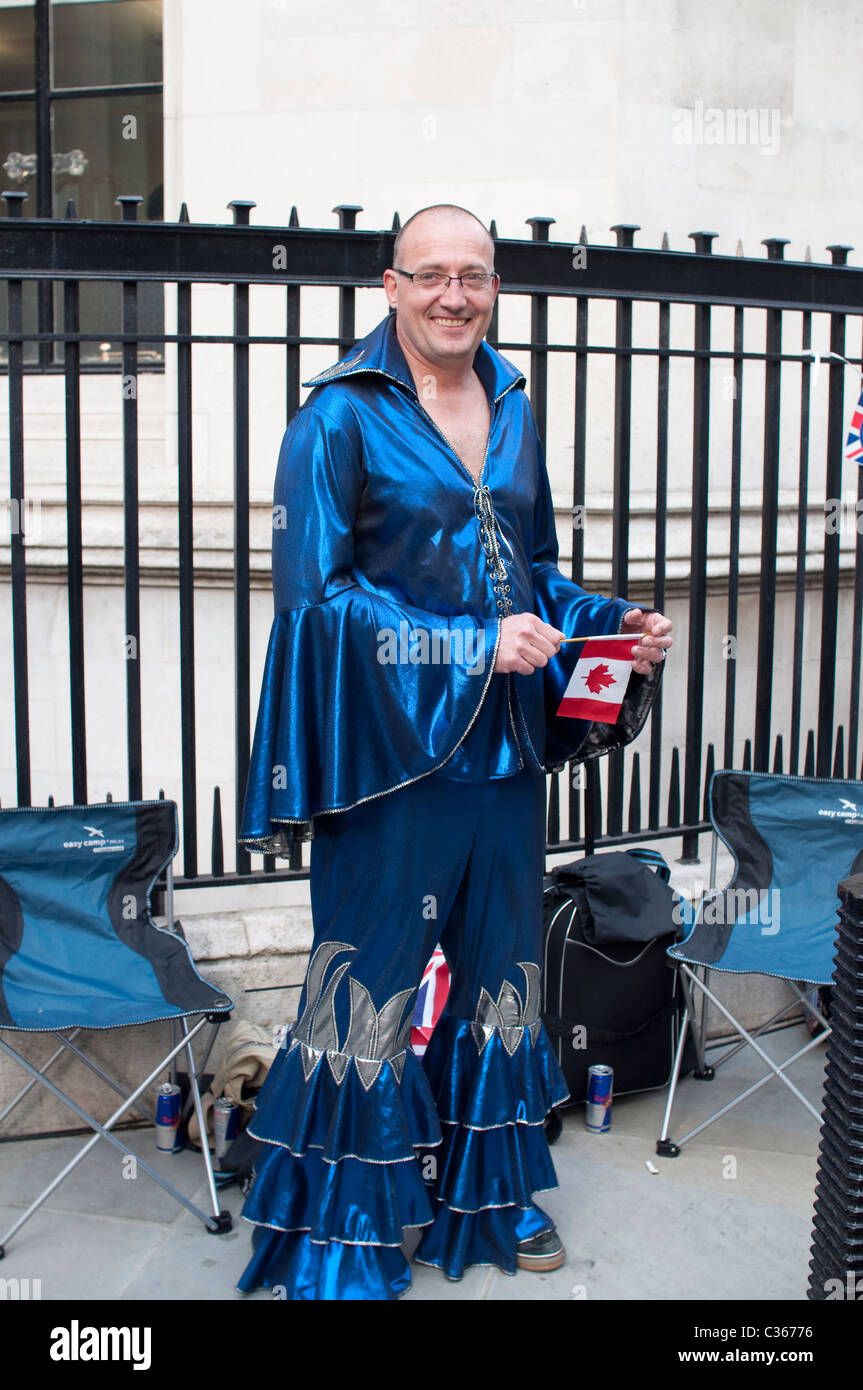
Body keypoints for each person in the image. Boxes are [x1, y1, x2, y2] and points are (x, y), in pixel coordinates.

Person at [234, 204, 673, 1301]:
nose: (452, 296)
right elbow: (314, 607)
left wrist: (607, 618)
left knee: (503, 983)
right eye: (430, 275)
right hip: (389, 763)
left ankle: (485, 1196)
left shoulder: (515, 402)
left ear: (492, 284)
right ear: (390, 285)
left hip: (503, 758)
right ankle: (343, 1229)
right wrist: (473, 642)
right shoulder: (336, 418)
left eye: (472, 276)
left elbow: (532, 570)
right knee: (367, 989)